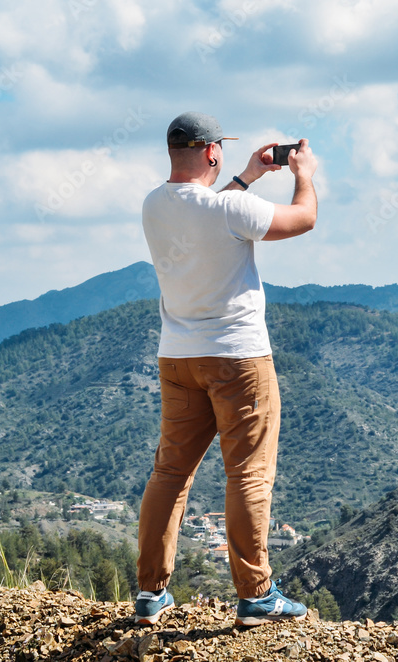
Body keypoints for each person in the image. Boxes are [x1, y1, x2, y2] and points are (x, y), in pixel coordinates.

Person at [134, 111, 318, 627]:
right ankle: (255, 595)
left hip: (177, 357)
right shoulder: (231, 209)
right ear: (212, 152)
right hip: (238, 358)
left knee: (170, 472)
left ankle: (150, 593)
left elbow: (210, 215)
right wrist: (303, 173)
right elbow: (303, 218)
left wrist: (248, 176)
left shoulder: (154, 205)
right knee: (248, 474)